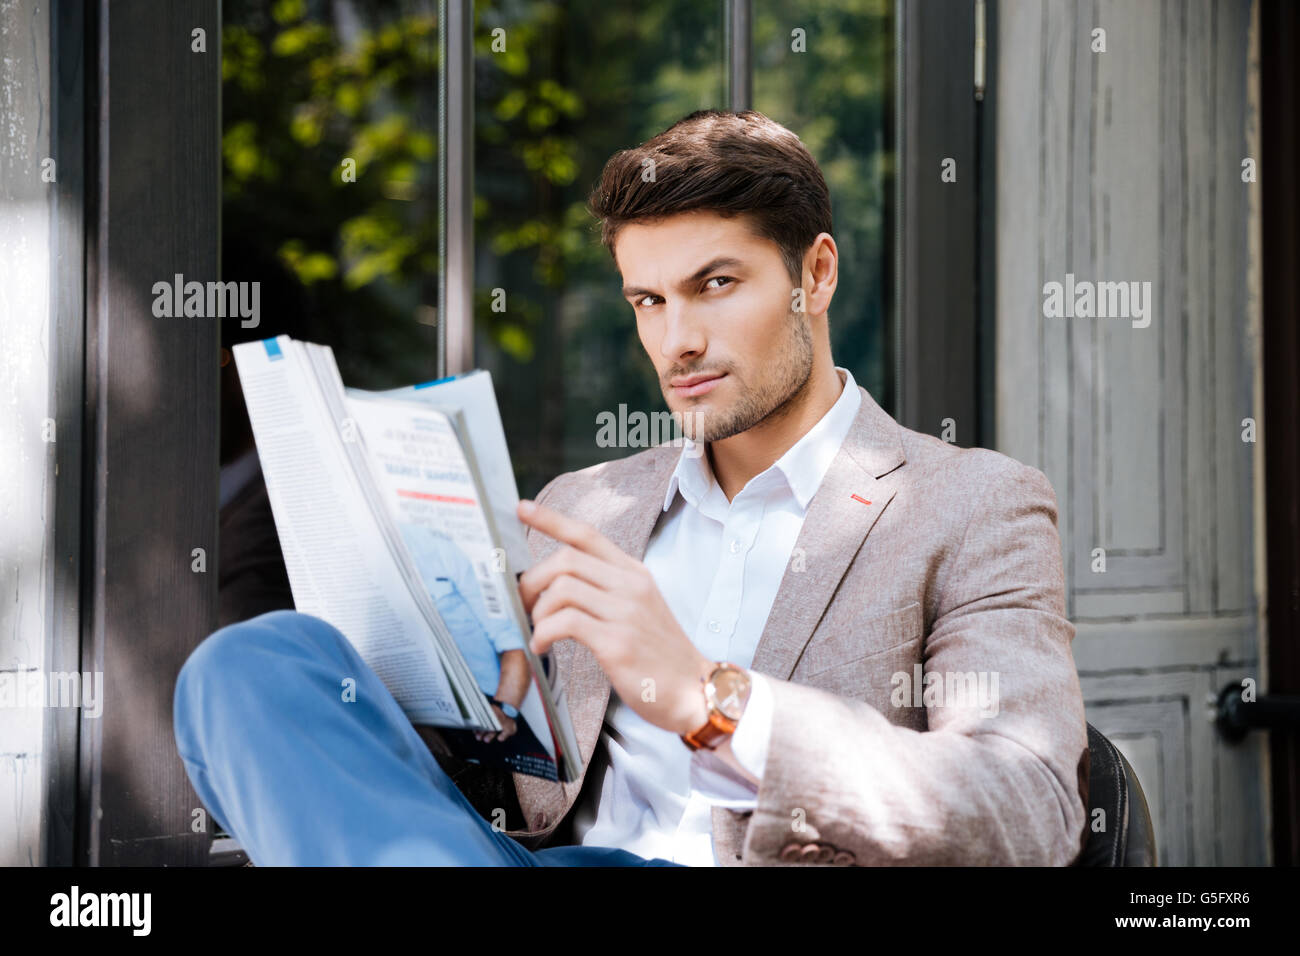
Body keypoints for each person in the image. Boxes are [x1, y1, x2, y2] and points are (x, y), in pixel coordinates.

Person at [174, 109, 1089, 867]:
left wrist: (707, 699)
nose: (676, 341)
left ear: (816, 273)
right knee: (253, 664)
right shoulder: (582, 505)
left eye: (715, 284)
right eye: (647, 301)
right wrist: (476, 717)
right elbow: (483, 803)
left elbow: (1026, 807)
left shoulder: (973, 505)